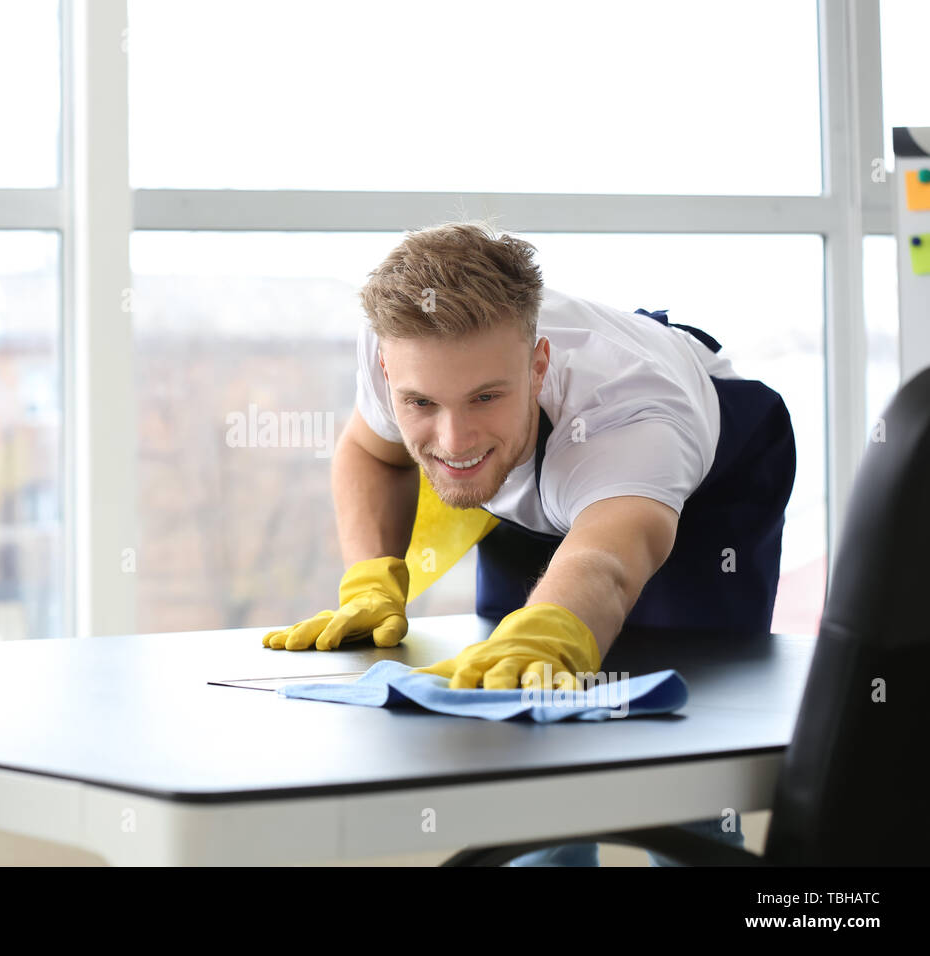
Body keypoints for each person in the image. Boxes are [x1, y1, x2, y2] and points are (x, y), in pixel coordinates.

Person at [261, 221, 796, 867]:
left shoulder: (634, 414)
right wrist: (372, 576)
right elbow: (371, 452)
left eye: (486, 396)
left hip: (705, 487)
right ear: (386, 366)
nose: (453, 439)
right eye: (422, 402)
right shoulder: (399, 346)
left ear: (538, 364)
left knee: (681, 730)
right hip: (532, 466)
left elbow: (605, 557)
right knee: (514, 696)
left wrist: (555, 629)